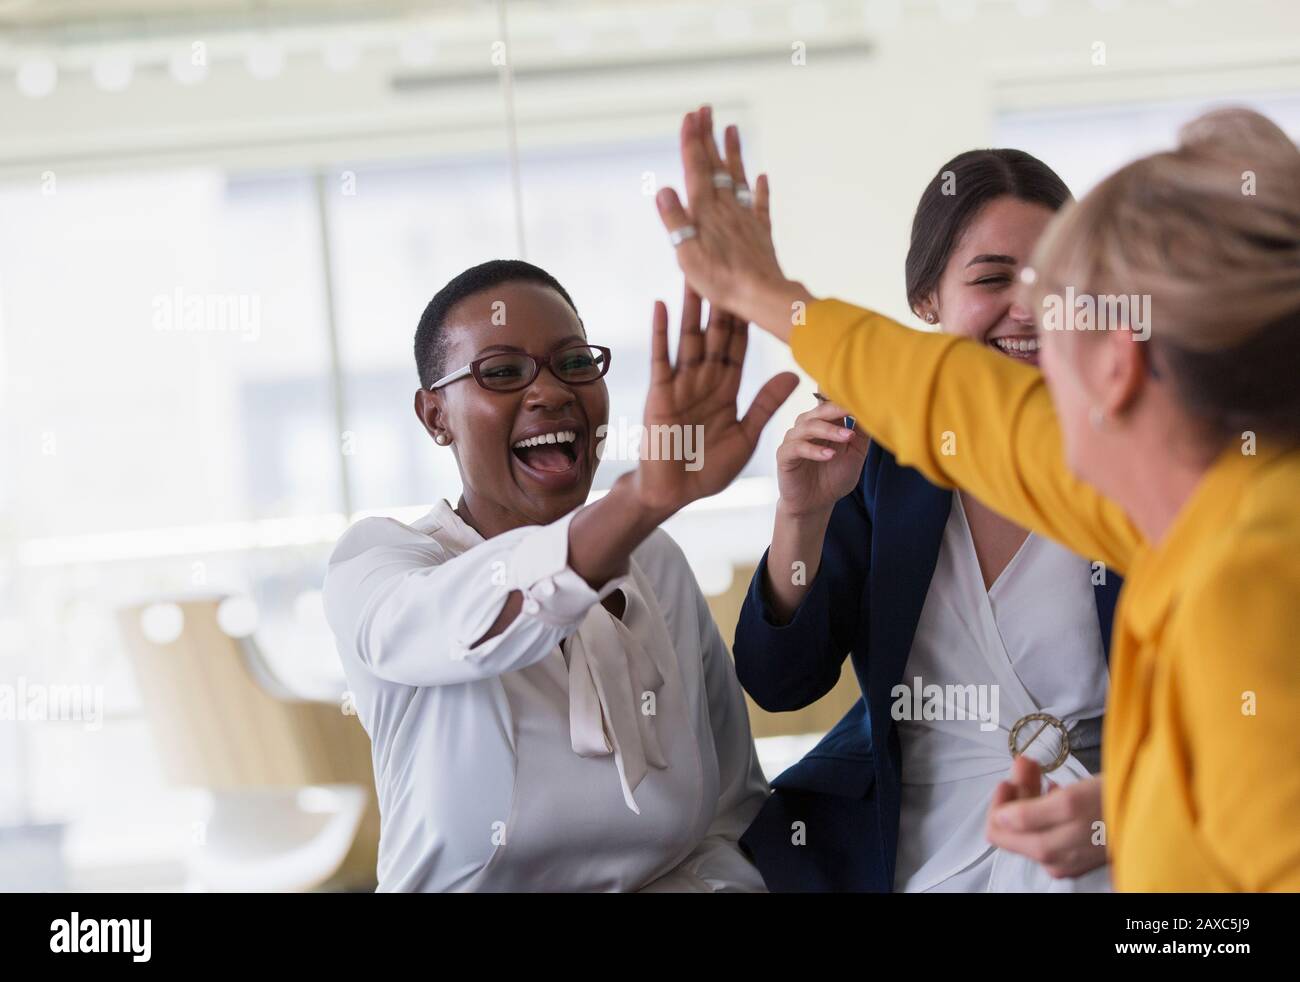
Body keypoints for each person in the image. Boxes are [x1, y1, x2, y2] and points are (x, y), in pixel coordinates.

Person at [654, 105, 1300, 891]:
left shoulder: (1243, 574)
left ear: (1118, 367)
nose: (1029, 331)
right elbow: (966, 407)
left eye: (1066, 309)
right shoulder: (1209, 500)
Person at [322, 258, 797, 891]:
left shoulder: (655, 563)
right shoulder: (382, 564)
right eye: (502, 372)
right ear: (435, 416)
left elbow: (725, 820)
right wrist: (643, 498)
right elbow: (450, 623)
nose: (550, 392)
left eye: (573, 363)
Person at [734, 148, 1120, 891]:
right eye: (992, 279)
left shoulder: (1133, 453)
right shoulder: (879, 454)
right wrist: (802, 515)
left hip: (1100, 827)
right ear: (927, 301)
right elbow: (779, 682)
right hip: (908, 836)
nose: (1029, 307)